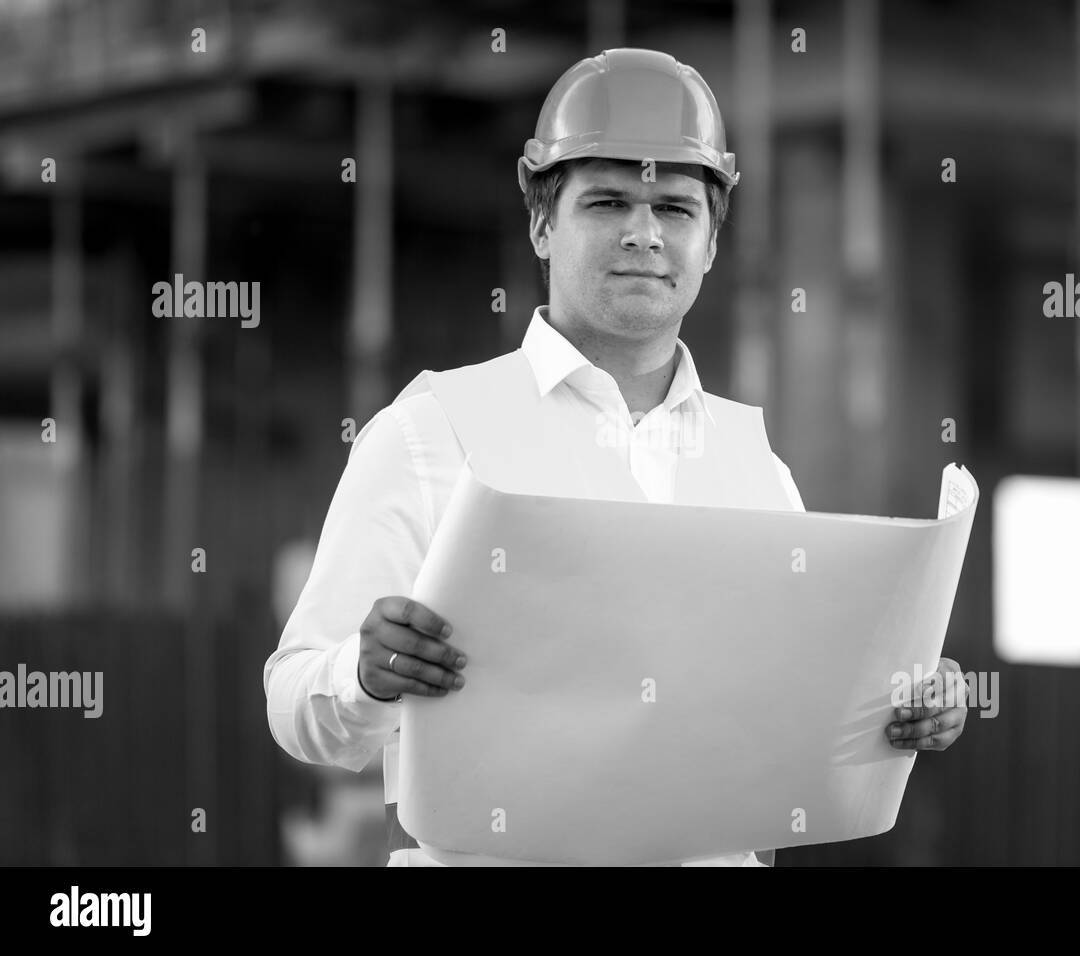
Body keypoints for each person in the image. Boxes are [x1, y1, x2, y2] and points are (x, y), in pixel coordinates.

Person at [263, 47, 967, 868]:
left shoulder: (756, 470)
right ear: (540, 224)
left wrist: (902, 703)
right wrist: (364, 673)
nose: (644, 232)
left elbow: (796, 714)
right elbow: (294, 702)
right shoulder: (432, 432)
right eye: (606, 202)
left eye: (675, 207)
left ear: (709, 243)